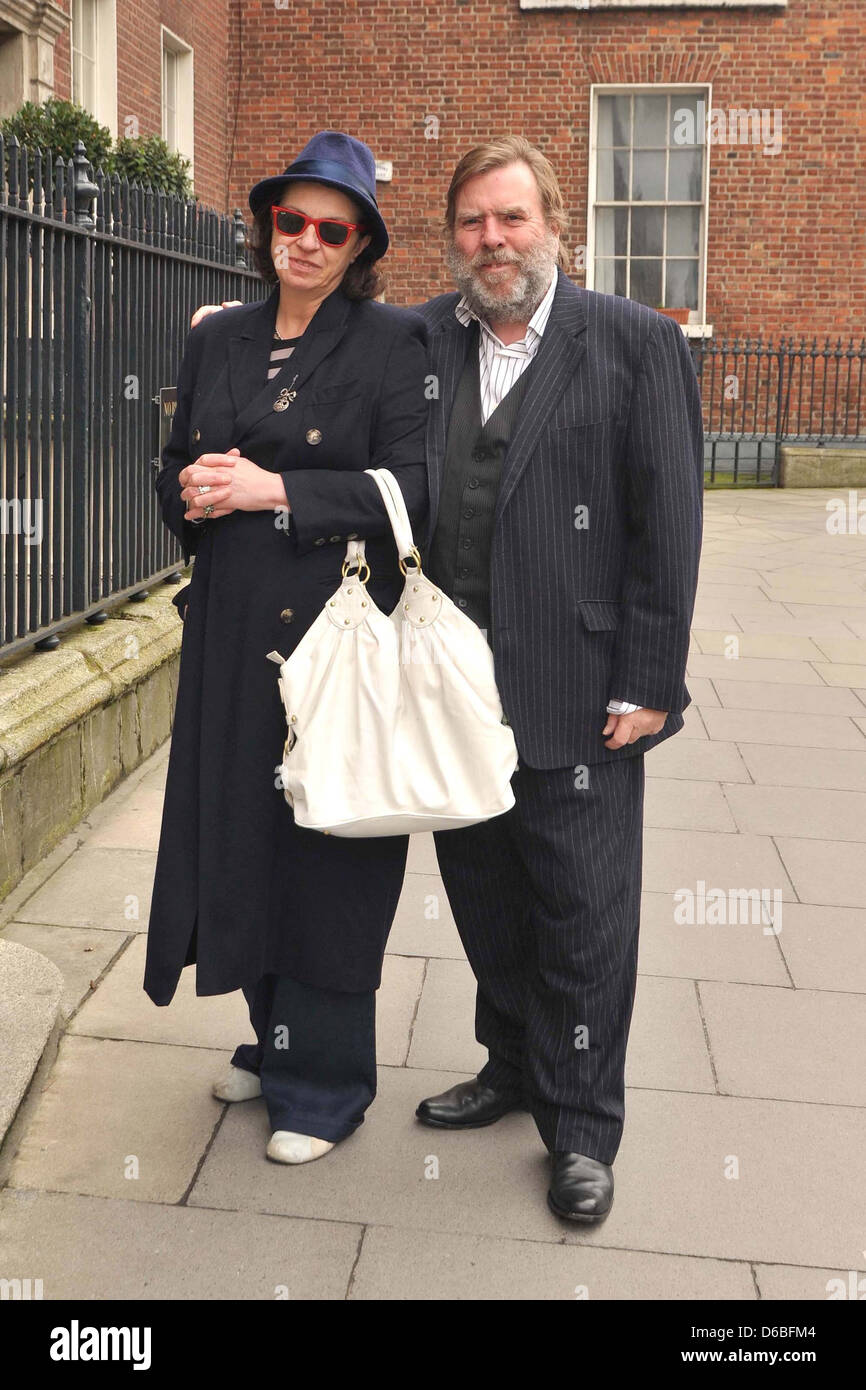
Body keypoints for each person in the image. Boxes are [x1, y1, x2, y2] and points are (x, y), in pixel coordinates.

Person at [191, 135, 704, 1221]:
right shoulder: (420, 334)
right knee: (486, 902)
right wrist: (220, 337)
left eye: (511, 218)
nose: (492, 239)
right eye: (472, 221)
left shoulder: (630, 344)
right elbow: (326, 351)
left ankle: (580, 1131)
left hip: (578, 687)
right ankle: (511, 1065)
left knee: (582, 916)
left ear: (554, 221)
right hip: (448, 690)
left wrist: (647, 678)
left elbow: (668, 527)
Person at [144, 131, 429, 1166]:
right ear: (266, 227)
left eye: (330, 228)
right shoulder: (217, 336)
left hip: (333, 637)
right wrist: (188, 491)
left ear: (359, 246)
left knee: (328, 851)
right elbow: (174, 461)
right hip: (228, 630)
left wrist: (275, 490)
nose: (305, 241)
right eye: (289, 221)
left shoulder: (393, 345)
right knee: (241, 837)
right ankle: (272, 1044)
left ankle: (326, 1083)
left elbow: (417, 492)